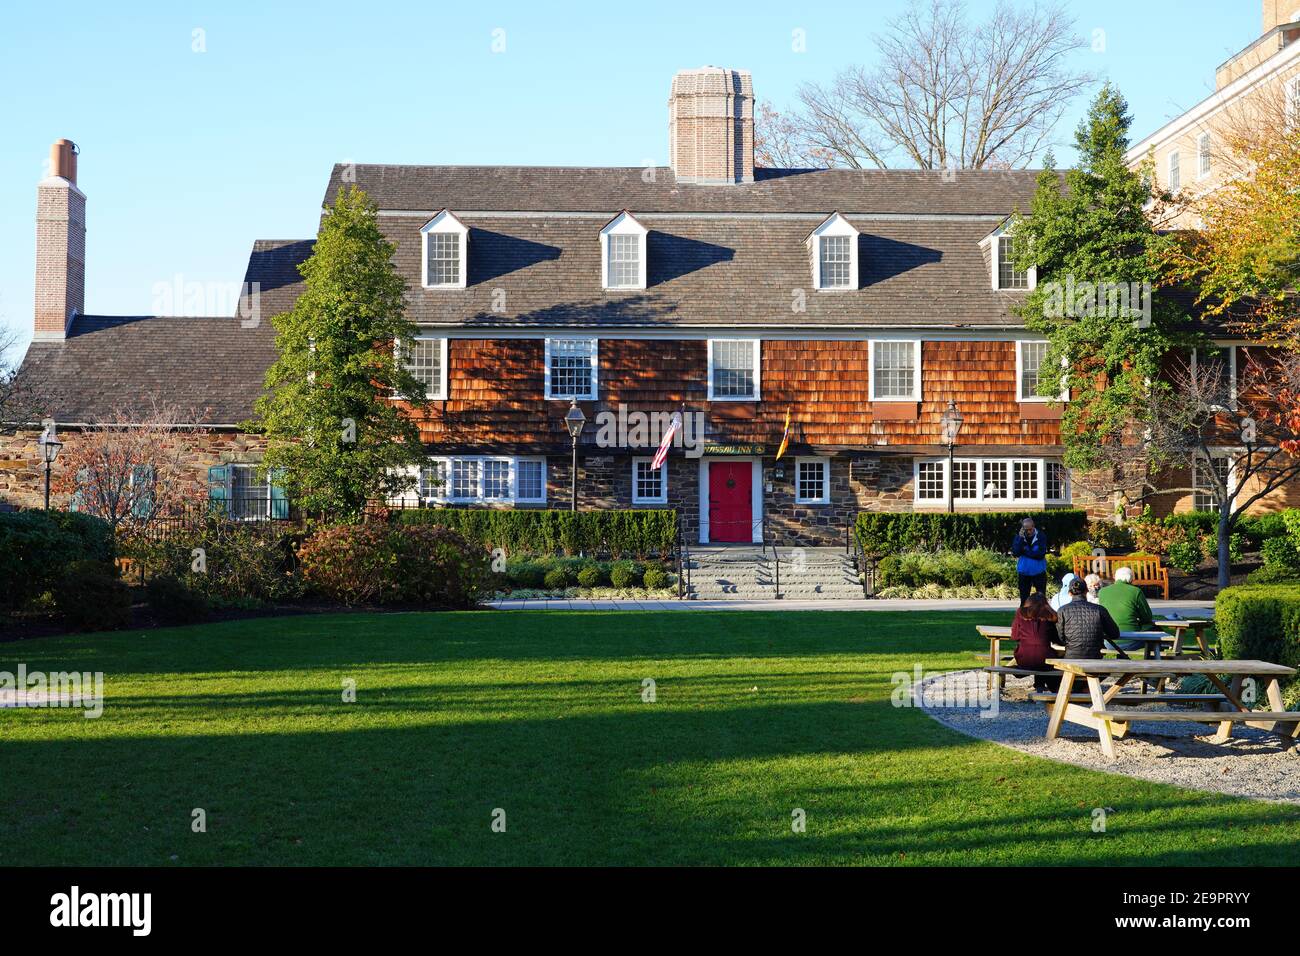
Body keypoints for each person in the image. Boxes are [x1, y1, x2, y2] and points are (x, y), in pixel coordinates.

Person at [1057, 576, 1122, 659]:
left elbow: (1060, 638)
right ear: (1086, 591)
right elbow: (1114, 634)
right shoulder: (1099, 609)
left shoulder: (1062, 610)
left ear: (1070, 593)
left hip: (1071, 657)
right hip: (1094, 657)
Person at [1012, 593, 1062, 691]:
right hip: (1045, 660)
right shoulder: (1049, 615)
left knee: (1038, 655)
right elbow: (1056, 639)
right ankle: (1043, 686)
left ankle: (1040, 685)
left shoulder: (1020, 613)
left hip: (1024, 659)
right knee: (1045, 656)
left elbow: (1015, 636)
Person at [1011, 517, 1049, 602]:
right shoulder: (1019, 537)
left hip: (1039, 572)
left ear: (1033, 526)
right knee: (1024, 600)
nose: (1028, 532)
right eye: (1026, 530)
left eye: (1030, 529)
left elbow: (1040, 554)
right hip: (1024, 572)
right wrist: (1020, 538)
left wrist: (1024, 551)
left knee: (1041, 599)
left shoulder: (1040, 536)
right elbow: (1016, 552)